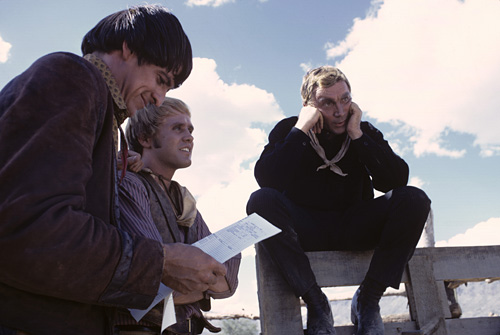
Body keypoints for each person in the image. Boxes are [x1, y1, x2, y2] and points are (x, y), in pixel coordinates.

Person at [0, 5, 227, 335]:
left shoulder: (103, 114)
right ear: (127, 47)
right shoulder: (72, 77)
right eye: (160, 79)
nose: (159, 98)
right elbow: (29, 230)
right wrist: (161, 263)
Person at [246, 66, 431, 335]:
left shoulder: (362, 129)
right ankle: (316, 303)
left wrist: (357, 134)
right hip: (307, 230)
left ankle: (368, 300)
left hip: (356, 226)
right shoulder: (290, 129)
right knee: (260, 202)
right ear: (309, 105)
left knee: (414, 199)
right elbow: (267, 180)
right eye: (328, 102)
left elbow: (395, 180)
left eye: (345, 99)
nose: (339, 111)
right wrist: (301, 128)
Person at [116, 98, 241, 334]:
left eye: (190, 129)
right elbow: (154, 279)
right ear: (145, 138)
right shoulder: (131, 184)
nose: (189, 137)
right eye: (177, 128)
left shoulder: (183, 198)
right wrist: (204, 284)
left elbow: (228, 279)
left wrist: (192, 282)